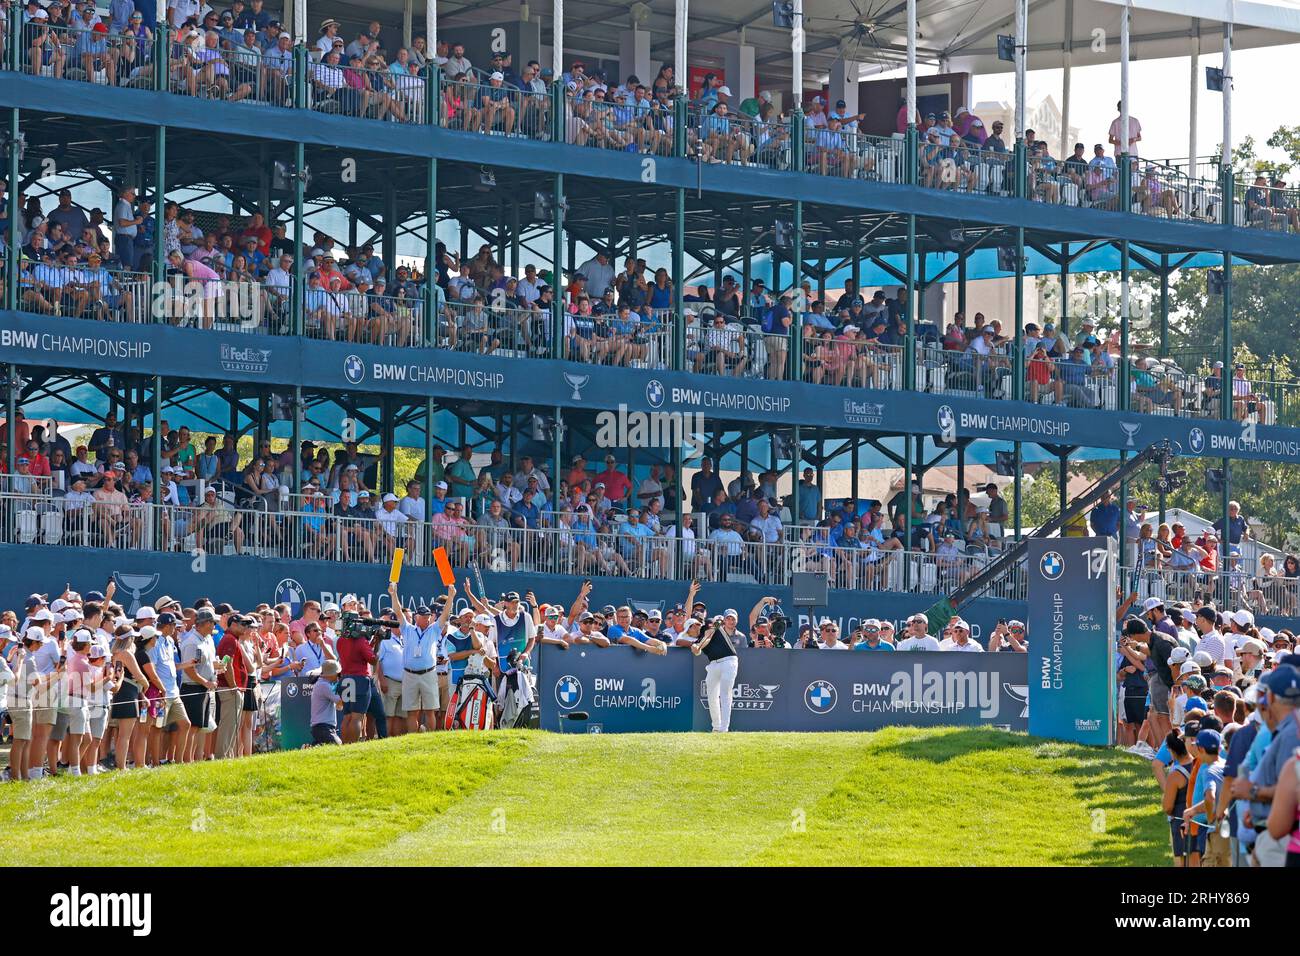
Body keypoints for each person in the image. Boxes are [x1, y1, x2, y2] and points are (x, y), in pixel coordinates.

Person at [390, 580, 454, 732]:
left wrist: (451, 596)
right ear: (416, 617)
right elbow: (398, 611)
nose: (426, 619)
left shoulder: (433, 630)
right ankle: (413, 738)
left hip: (428, 673)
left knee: (430, 710)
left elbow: (445, 615)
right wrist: (393, 594)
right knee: (412, 711)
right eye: (423, 616)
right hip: (410, 674)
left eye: (428, 616)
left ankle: (430, 739)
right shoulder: (408, 629)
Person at [692, 616, 738, 733]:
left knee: (725, 694)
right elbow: (696, 651)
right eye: (693, 625)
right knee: (712, 696)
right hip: (713, 665)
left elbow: (709, 636)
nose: (696, 626)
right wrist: (695, 648)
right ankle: (716, 727)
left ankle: (724, 728)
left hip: (728, 661)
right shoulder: (697, 640)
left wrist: (699, 646)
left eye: (698, 624)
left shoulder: (709, 624)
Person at [310, 660, 344, 745]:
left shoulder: (323, 684)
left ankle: (310, 747)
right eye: (338, 673)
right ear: (331, 674)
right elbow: (340, 702)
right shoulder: (324, 685)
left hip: (322, 727)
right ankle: (309, 747)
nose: (339, 676)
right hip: (323, 727)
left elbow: (339, 706)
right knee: (338, 746)